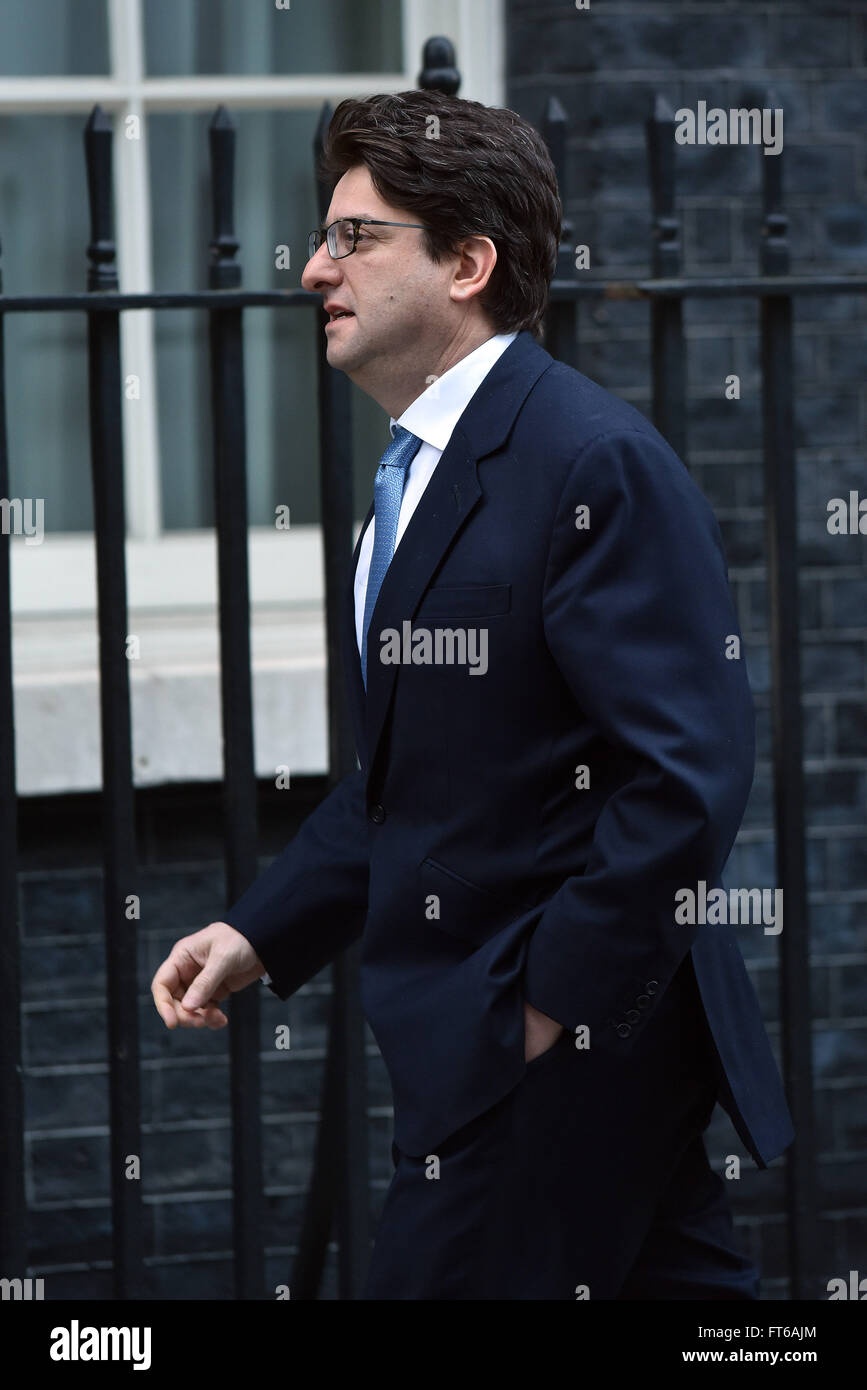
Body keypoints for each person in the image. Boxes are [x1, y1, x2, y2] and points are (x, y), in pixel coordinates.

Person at [151, 90, 794, 1300]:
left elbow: (685, 778)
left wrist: (543, 1011)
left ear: (468, 263)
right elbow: (414, 775)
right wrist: (261, 928)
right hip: (527, 1051)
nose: (311, 268)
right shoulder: (413, 479)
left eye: (355, 236)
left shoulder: (589, 461)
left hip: (550, 1053)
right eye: (322, 235)